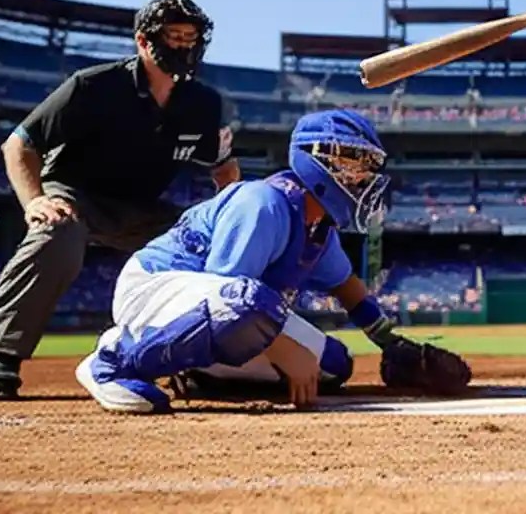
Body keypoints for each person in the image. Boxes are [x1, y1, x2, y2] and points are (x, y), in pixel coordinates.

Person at [75, 109, 472, 414]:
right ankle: (113, 359)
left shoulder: (318, 227)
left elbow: (348, 288)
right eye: (353, 165)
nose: (362, 178)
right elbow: (227, 295)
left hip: (227, 306)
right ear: (318, 162)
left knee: (334, 365)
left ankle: (201, 374)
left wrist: (390, 343)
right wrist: (284, 350)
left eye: (366, 168)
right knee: (252, 308)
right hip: (157, 287)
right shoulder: (263, 204)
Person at [0, 0, 241, 401]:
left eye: (190, 37)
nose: (184, 45)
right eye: (174, 36)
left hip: (143, 209)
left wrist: (227, 215)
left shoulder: (203, 103)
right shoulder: (92, 86)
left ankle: (197, 361)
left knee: (202, 250)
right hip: (75, 194)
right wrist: (34, 201)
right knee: (57, 233)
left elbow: (223, 167)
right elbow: (19, 144)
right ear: (144, 42)